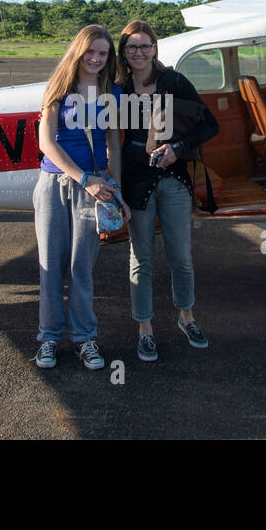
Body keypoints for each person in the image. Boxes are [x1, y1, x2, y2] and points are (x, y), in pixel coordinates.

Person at [116, 20, 218, 363]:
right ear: (124, 52)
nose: (139, 53)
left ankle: (187, 317)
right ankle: (144, 329)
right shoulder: (118, 87)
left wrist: (178, 146)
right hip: (136, 180)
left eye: (145, 46)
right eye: (132, 47)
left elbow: (209, 124)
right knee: (140, 258)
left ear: (155, 48)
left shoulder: (173, 81)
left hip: (174, 178)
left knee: (182, 257)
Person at [32, 24, 127, 370]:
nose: (96, 59)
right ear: (78, 51)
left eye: (103, 54)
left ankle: (86, 339)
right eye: (91, 52)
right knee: (51, 267)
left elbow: (114, 144)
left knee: (81, 269)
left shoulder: (114, 94)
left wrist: (115, 189)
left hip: (97, 187)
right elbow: (47, 143)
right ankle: (49, 338)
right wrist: (84, 178)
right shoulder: (58, 87)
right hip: (55, 184)